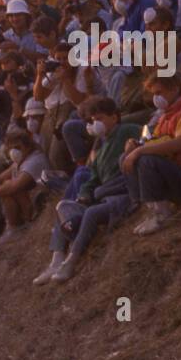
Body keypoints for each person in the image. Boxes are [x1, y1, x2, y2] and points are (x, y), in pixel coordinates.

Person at [34, 98, 141, 284]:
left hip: (123, 194)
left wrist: (135, 145)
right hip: (104, 196)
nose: (95, 124)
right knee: (65, 208)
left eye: (99, 118)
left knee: (91, 212)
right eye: (92, 120)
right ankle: (56, 258)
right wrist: (84, 195)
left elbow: (145, 138)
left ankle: (71, 261)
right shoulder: (101, 148)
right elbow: (93, 179)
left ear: (114, 117)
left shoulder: (128, 130)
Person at [121, 73, 181, 235]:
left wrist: (141, 150)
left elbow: (179, 143)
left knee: (146, 160)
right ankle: (149, 209)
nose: (156, 98)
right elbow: (158, 140)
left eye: (159, 93)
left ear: (175, 89)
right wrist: (136, 145)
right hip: (178, 173)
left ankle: (161, 215)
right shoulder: (166, 115)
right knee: (125, 158)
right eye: (154, 94)